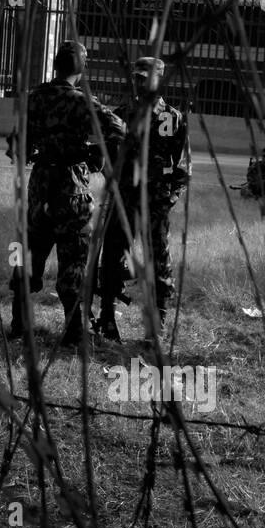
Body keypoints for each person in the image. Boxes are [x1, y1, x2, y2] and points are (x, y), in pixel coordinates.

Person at [5, 41, 126, 347]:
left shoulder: (34, 98)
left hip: (39, 186)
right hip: (72, 188)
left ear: (56, 64)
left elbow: (16, 144)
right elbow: (119, 129)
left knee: (27, 250)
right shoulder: (83, 102)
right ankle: (73, 332)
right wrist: (90, 150)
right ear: (81, 69)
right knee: (73, 258)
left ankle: (18, 323)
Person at [96, 57, 191, 338]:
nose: (138, 82)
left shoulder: (173, 118)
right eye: (136, 77)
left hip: (155, 204)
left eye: (144, 78)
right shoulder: (121, 115)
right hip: (124, 201)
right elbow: (106, 156)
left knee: (157, 259)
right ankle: (107, 316)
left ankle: (157, 322)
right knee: (112, 256)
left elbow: (183, 166)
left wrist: (169, 197)